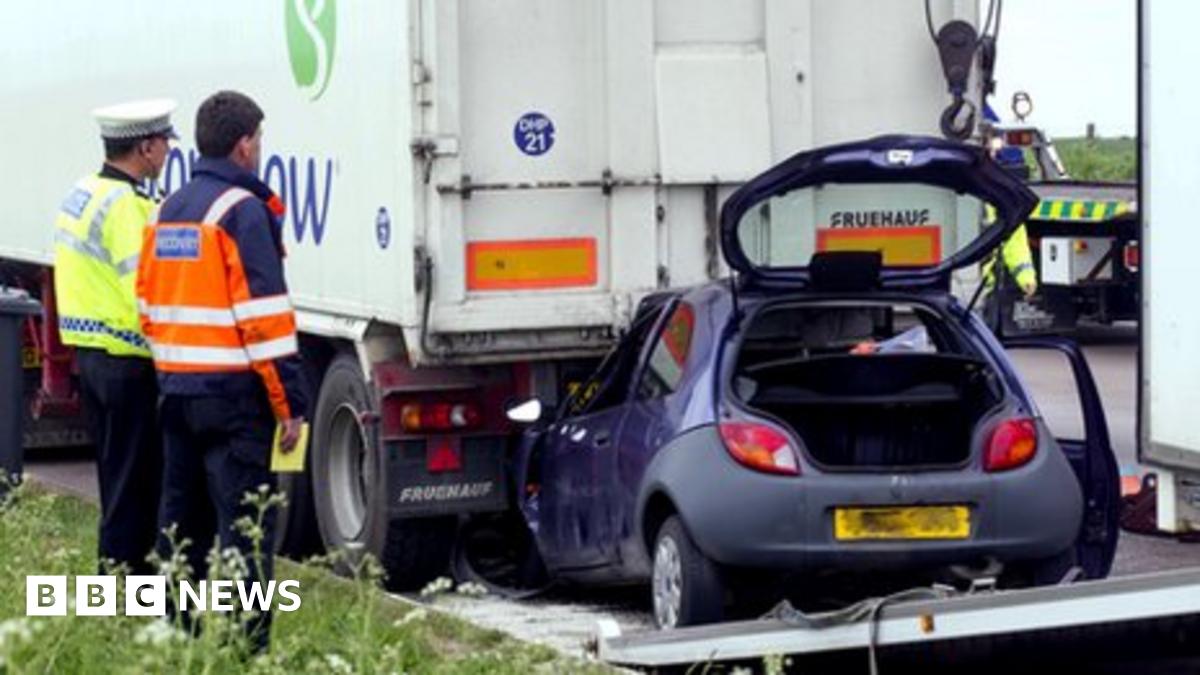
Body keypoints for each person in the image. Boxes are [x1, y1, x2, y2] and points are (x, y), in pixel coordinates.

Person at [136, 91, 308, 651]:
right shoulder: (242, 212)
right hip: (236, 401)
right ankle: (247, 648)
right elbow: (265, 321)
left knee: (180, 529)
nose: (259, 150)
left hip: (176, 391)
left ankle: (176, 640)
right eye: (258, 140)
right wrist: (290, 408)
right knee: (245, 533)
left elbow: (146, 303)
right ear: (244, 144)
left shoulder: (166, 210)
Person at [53, 99, 177, 574]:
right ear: (145, 147)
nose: (166, 152)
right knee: (136, 486)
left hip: (92, 359)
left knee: (114, 478)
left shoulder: (82, 193)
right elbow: (143, 294)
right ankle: (122, 591)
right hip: (129, 363)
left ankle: (115, 593)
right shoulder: (129, 209)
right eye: (163, 143)